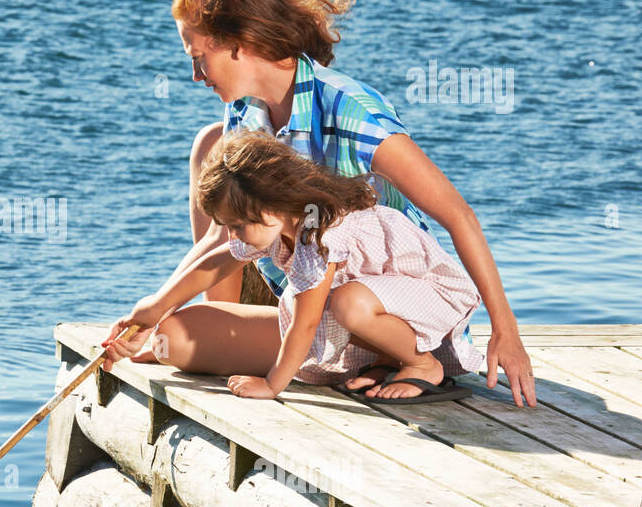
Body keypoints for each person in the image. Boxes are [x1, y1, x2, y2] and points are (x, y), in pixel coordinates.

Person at [103, 0, 536, 406]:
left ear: (238, 44)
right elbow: (224, 242)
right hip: (314, 304)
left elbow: (458, 215)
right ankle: (297, 347)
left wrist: (506, 330)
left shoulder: (353, 112)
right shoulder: (244, 114)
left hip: (387, 309)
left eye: (198, 58)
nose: (196, 75)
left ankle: (402, 357)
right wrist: (152, 312)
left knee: (182, 338)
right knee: (171, 338)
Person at [114, 130, 486, 402]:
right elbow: (217, 262)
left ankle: (422, 365)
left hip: (433, 295)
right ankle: (388, 359)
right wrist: (157, 307)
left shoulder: (320, 233)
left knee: (345, 302)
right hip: (389, 303)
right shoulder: (282, 223)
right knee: (342, 302)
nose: (234, 234)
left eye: (239, 225)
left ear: (271, 207)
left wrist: (273, 385)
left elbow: (307, 322)